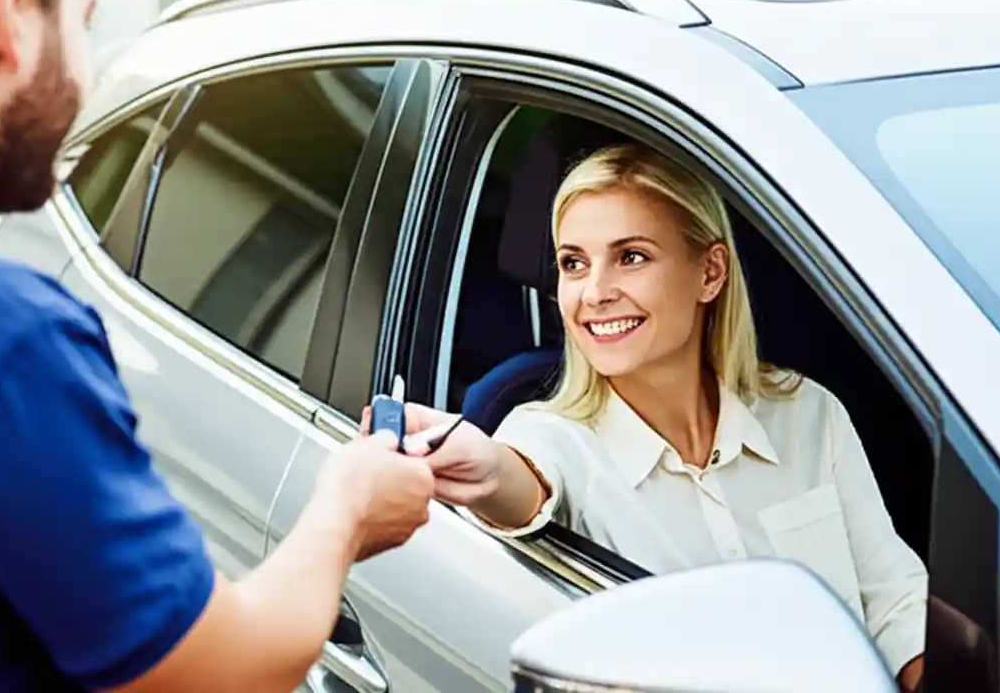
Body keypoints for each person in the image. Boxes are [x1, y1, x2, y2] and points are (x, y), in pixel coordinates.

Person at [0, 0, 434, 691]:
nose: (88, 74)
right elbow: (219, 676)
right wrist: (345, 510)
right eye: (83, 23)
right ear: (10, 4)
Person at [390, 143, 928, 690]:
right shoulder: (548, 435)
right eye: (574, 264)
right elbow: (521, 481)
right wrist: (485, 469)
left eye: (631, 257)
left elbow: (896, 608)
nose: (595, 293)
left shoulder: (808, 413)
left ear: (710, 273)